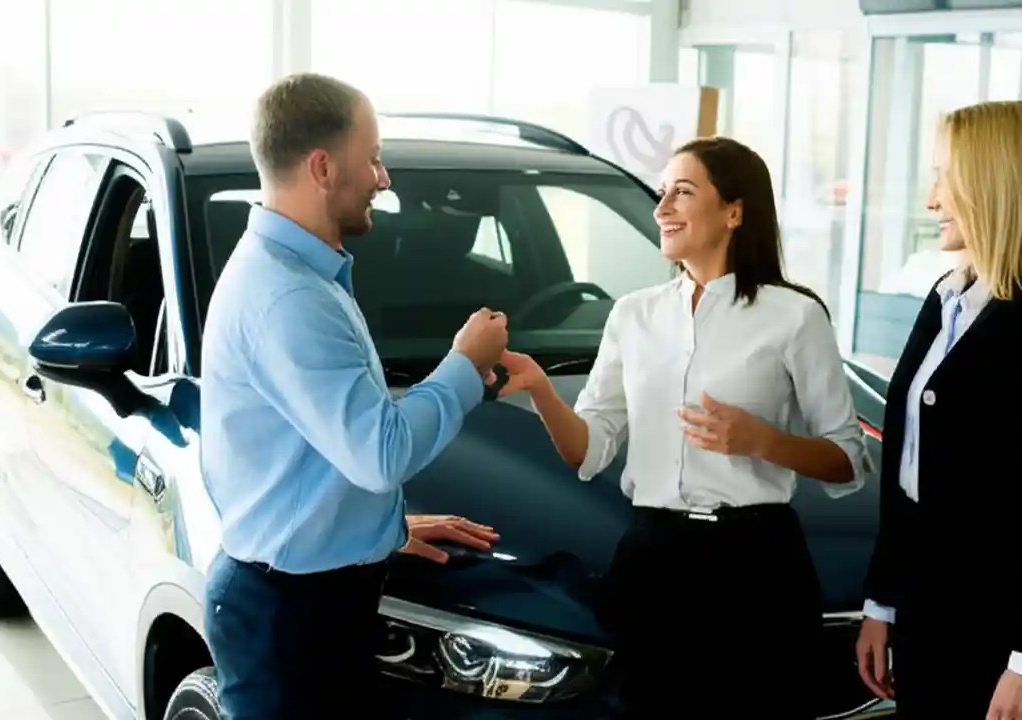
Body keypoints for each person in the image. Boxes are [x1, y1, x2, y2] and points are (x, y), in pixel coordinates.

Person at [496, 136, 875, 719]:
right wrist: (543, 389)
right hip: (654, 562)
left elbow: (849, 458)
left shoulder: (796, 316)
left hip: (758, 565)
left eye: (683, 192)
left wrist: (761, 441)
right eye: (662, 192)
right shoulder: (633, 314)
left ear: (734, 211)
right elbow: (589, 451)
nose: (662, 207)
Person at [199, 73, 509, 718]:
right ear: (321, 166)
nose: (383, 177)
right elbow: (379, 453)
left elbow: (316, 444)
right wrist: (463, 364)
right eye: (371, 159)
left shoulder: (299, 275)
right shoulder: (290, 297)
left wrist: (380, 526)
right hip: (290, 616)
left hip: (308, 598)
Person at [854, 100, 1022, 720]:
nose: (932, 199)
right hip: (928, 619)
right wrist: (882, 603)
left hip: (1008, 638)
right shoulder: (947, 297)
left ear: (995, 184)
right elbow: (909, 477)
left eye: (945, 176)